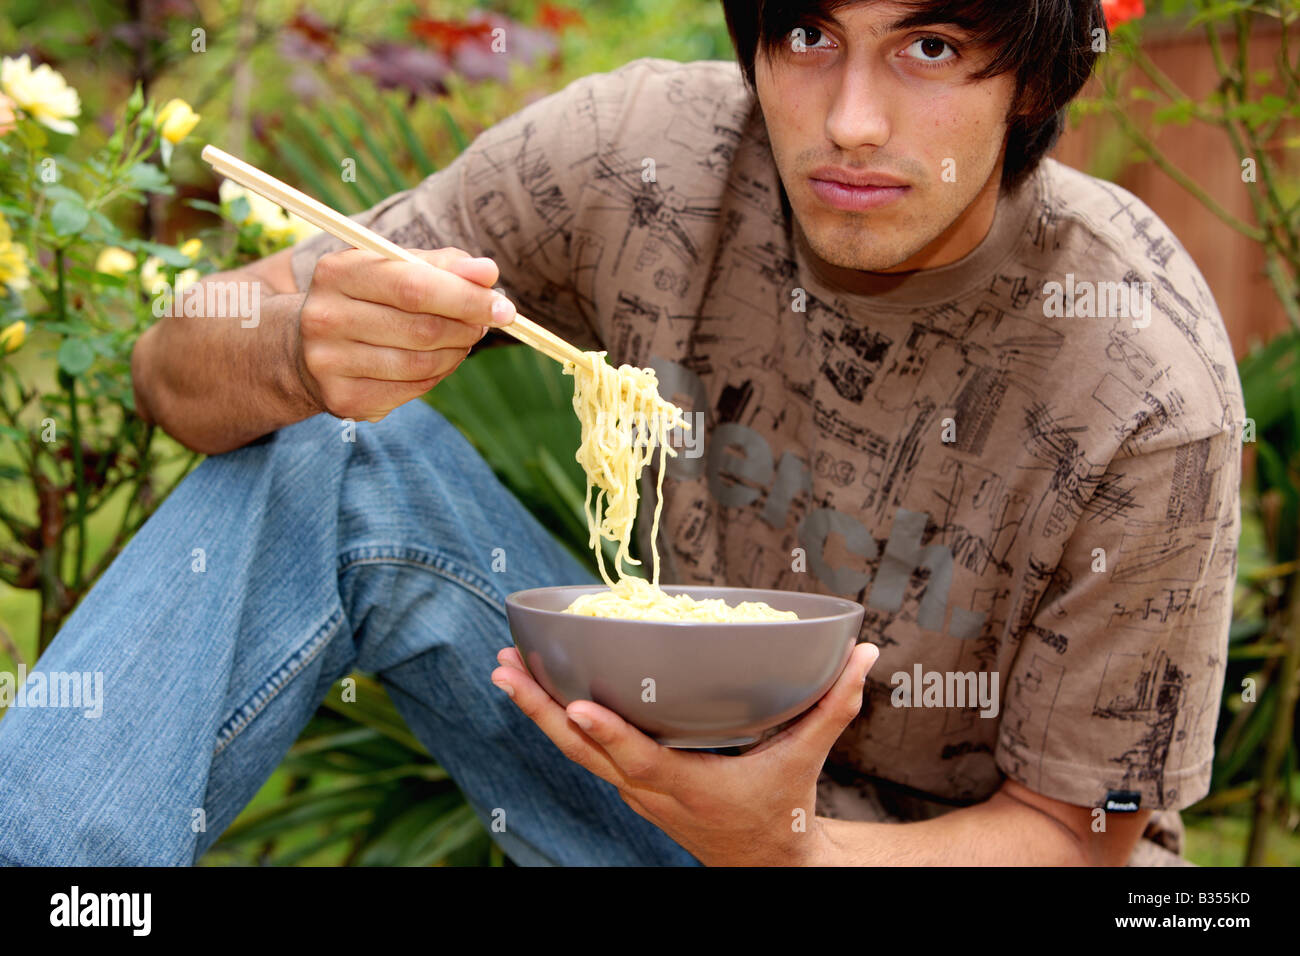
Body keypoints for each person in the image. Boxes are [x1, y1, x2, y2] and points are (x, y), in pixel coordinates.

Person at [0, 0, 1242, 866]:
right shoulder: (644, 162)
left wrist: (789, 849)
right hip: (638, 779)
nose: (851, 120)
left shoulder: (1139, 381)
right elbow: (175, 358)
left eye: (928, 44)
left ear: (1032, 74)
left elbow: (1079, 838)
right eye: (809, 35)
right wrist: (291, 348)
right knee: (343, 453)